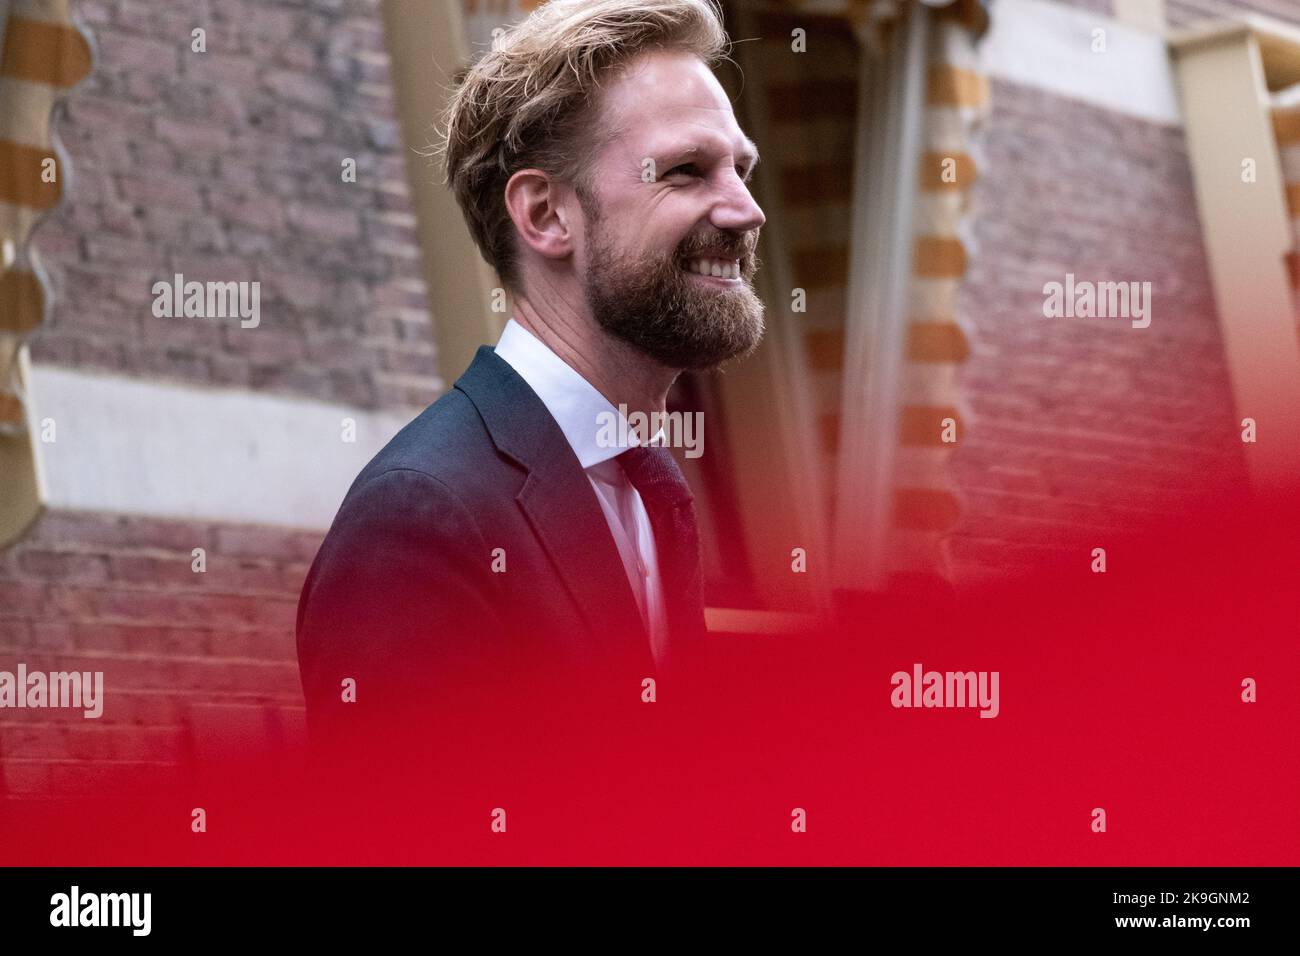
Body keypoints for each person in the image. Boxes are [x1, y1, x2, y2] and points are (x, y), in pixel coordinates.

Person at [295, 0, 766, 758]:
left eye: (741, 170)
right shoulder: (419, 522)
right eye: (687, 171)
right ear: (546, 215)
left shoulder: (648, 488)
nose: (748, 211)